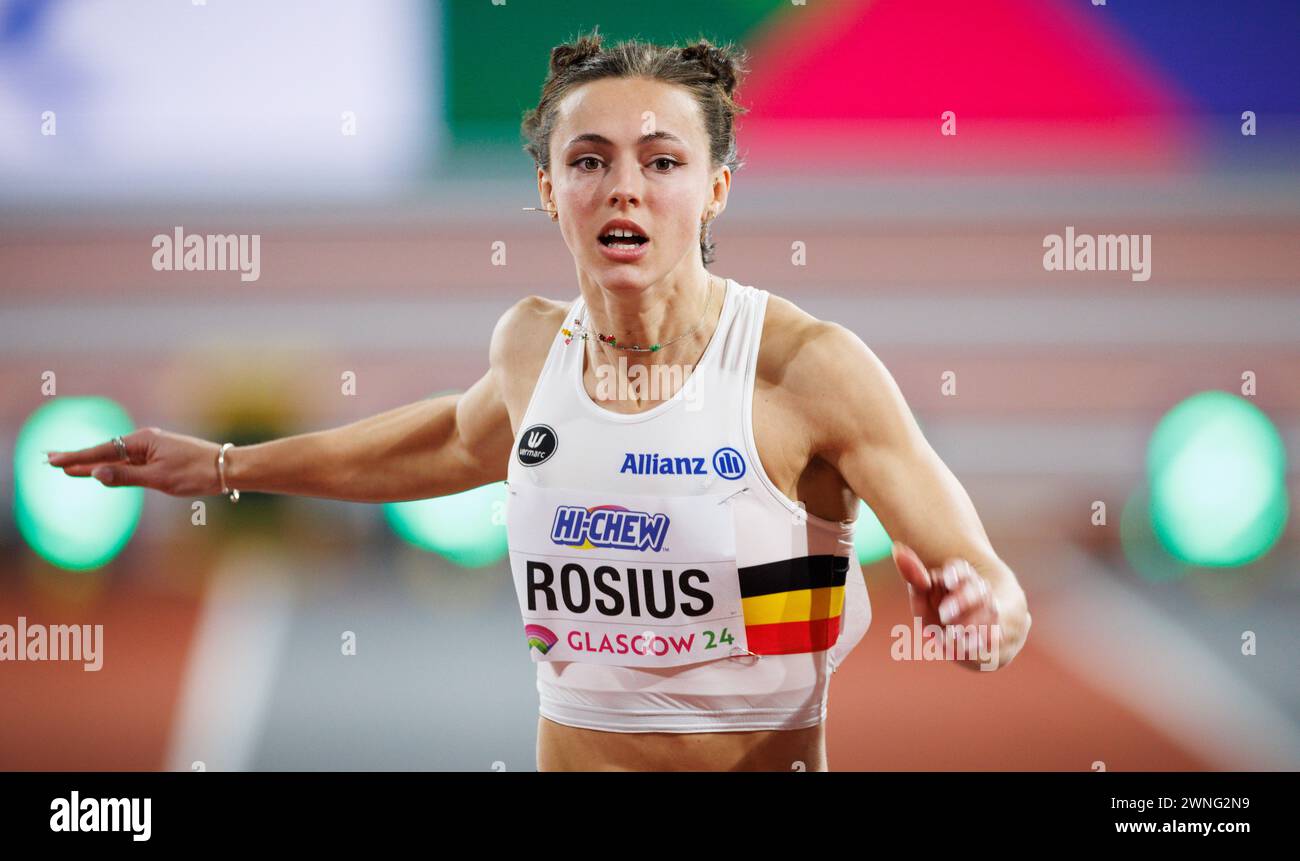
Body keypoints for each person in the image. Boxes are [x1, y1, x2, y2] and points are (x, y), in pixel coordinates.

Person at [46, 28, 1031, 772]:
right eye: (589, 161)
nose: (623, 191)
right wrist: (221, 466)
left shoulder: (807, 369)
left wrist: (981, 619)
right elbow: (446, 440)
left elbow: (989, 588)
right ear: (549, 190)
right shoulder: (530, 348)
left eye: (663, 162)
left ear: (718, 190)